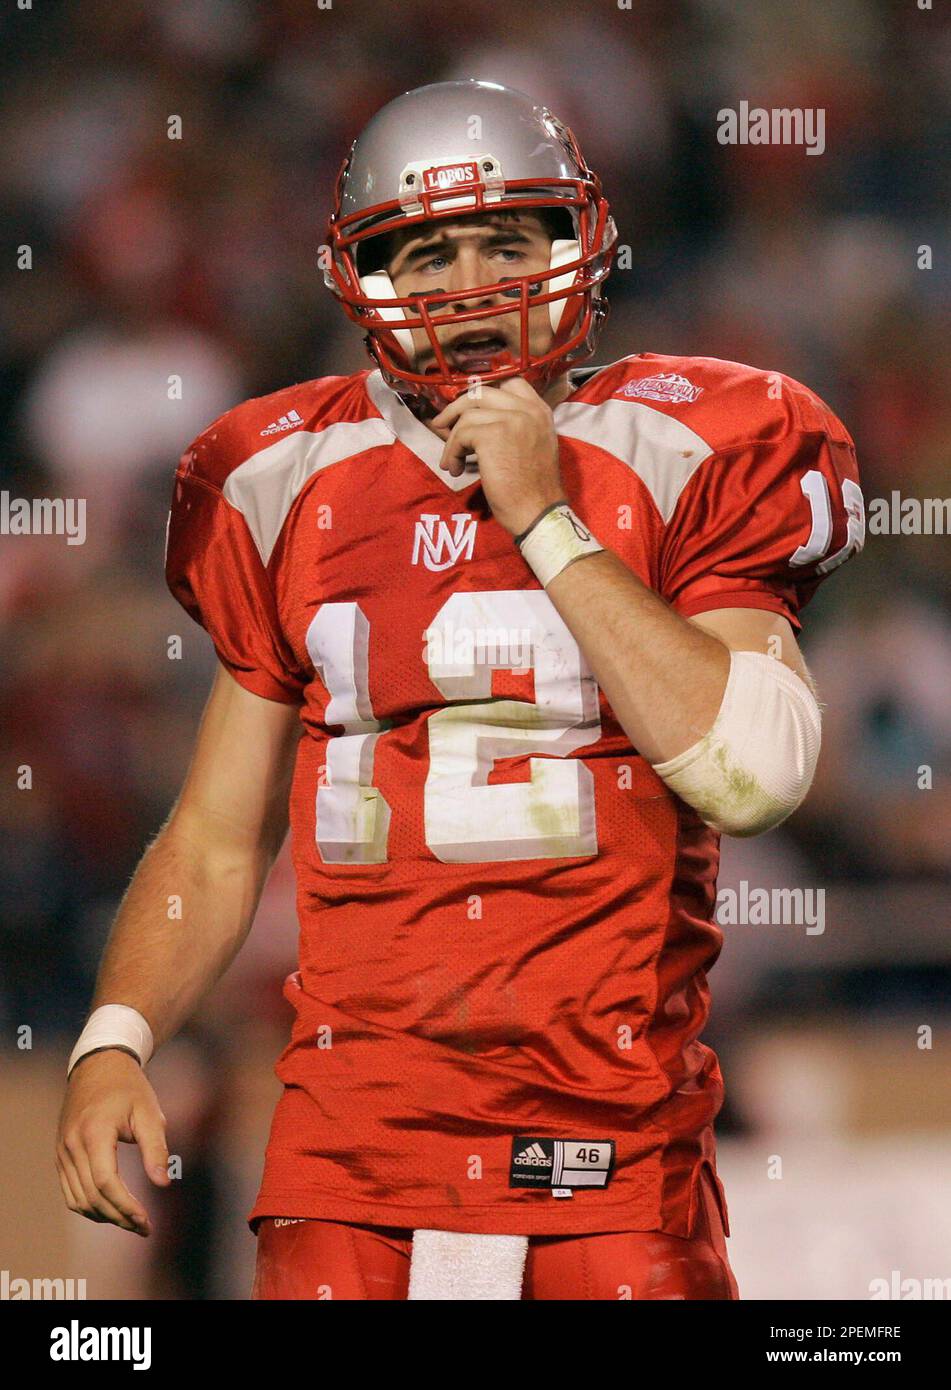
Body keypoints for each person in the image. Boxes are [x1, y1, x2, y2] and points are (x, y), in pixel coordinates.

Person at [57, 80, 865, 1300]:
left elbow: (753, 773)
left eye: (506, 242)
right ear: (367, 279)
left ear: (576, 247)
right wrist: (115, 1036)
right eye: (431, 253)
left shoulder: (693, 440)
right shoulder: (277, 475)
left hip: (609, 1144)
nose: (474, 284)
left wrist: (545, 516)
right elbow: (217, 838)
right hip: (350, 1157)